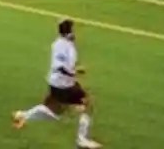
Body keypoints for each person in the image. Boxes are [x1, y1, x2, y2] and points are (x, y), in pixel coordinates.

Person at [12, 19, 102, 148]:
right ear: (68, 32)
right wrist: (72, 73)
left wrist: (75, 70)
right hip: (63, 85)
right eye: (73, 30)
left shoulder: (61, 44)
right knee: (86, 103)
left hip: (59, 83)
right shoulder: (63, 46)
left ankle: (22, 115)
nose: (75, 33)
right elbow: (59, 66)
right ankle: (81, 140)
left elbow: (66, 65)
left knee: (53, 111)